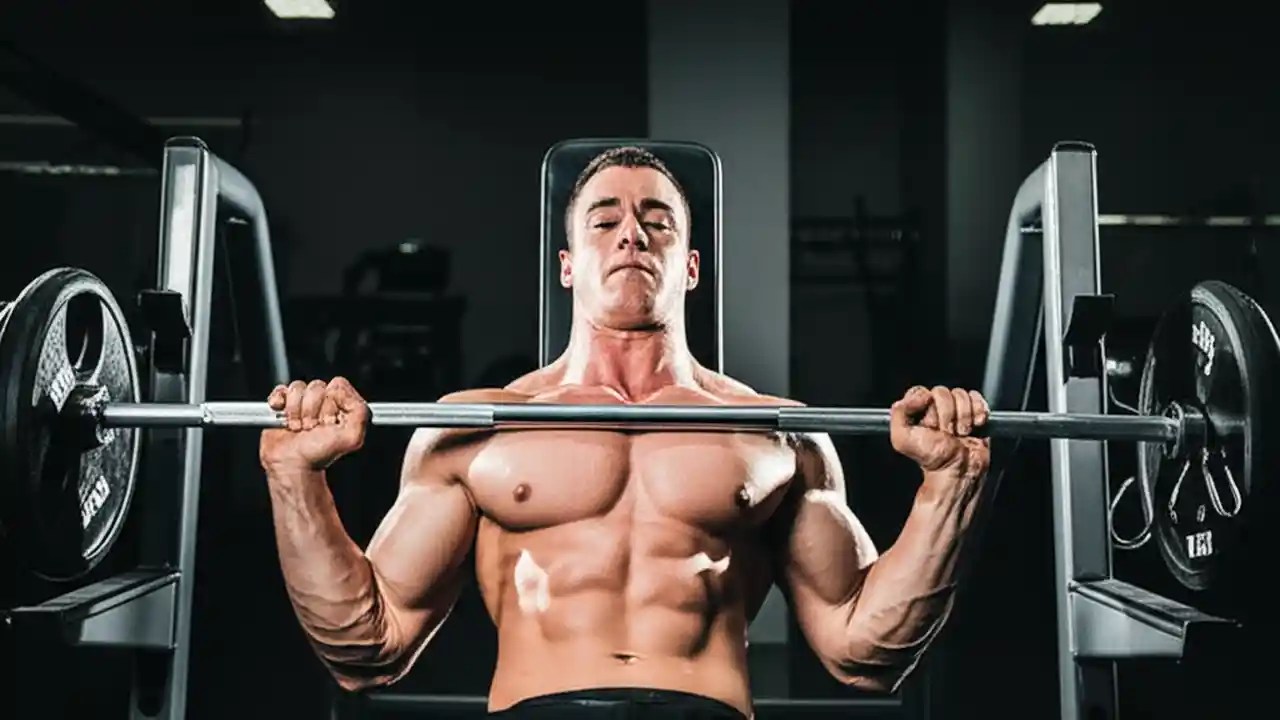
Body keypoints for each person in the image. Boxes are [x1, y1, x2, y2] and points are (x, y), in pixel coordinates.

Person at [259, 146, 994, 719]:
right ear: (568, 266)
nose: (632, 234)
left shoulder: (776, 435)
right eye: (604, 221)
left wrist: (950, 488)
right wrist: (296, 478)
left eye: (658, 221)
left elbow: (863, 650)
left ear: (691, 267)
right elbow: (370, 648)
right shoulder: (477, 427)